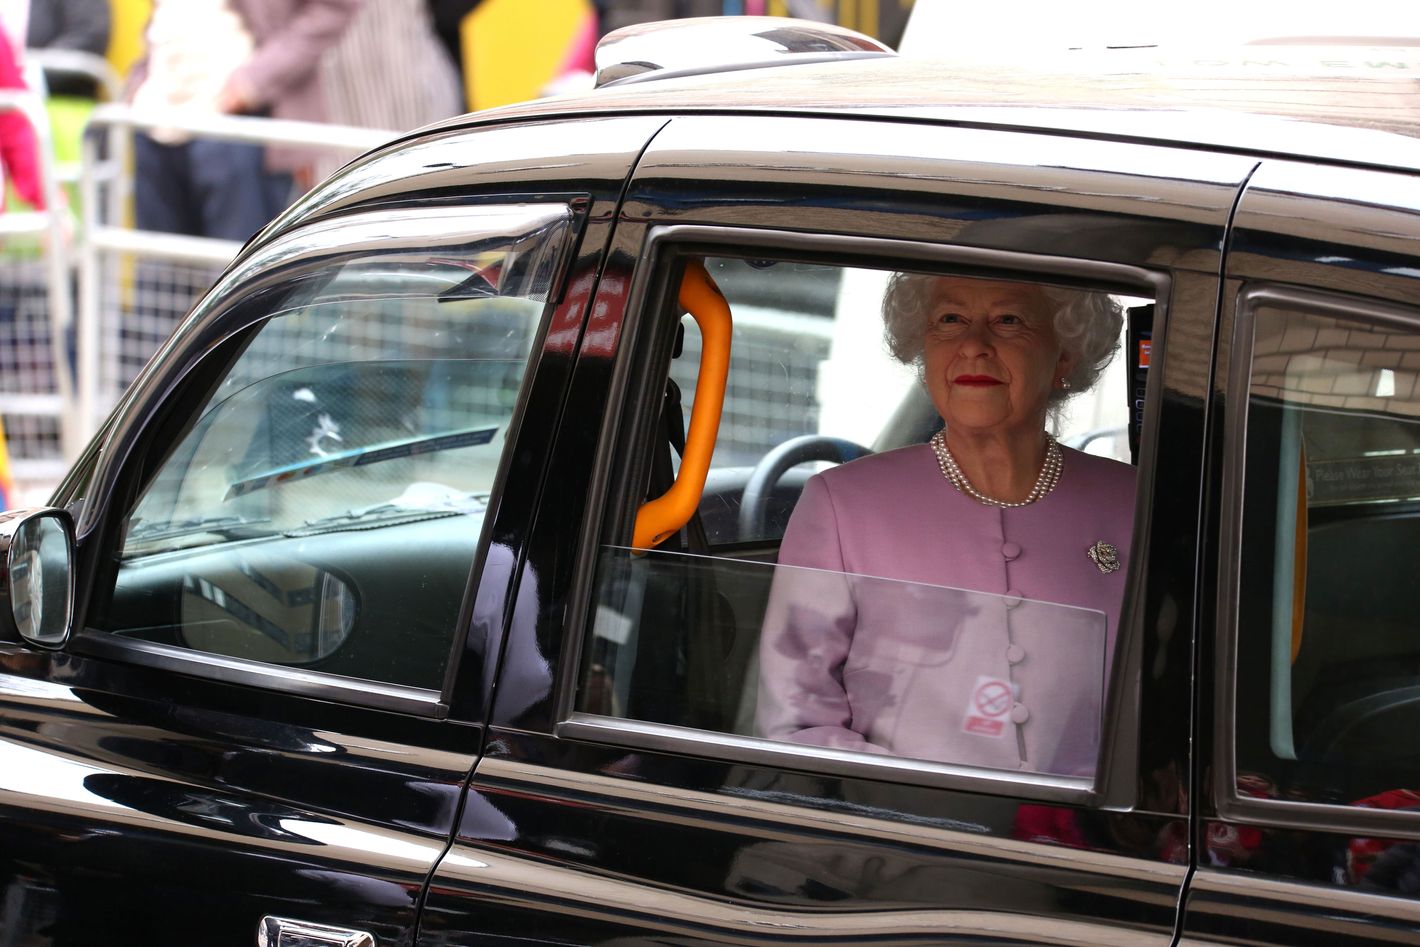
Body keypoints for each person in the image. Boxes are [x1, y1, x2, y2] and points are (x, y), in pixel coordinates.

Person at [756, 272, 1133, 776]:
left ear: (1064, 355)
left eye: (1009, 321)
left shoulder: (1134, 501)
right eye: (950, 320)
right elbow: (796, 718)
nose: (974, 345)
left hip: (1095, 841)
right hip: (906, 835)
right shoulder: (843, 503)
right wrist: (923, 813)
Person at [127, 0, 359, 241]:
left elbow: (334, 8)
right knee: (160, 270)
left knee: (239, 263)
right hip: (157, 118)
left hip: (241, 123)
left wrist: (252, 83)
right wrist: (141, 80)